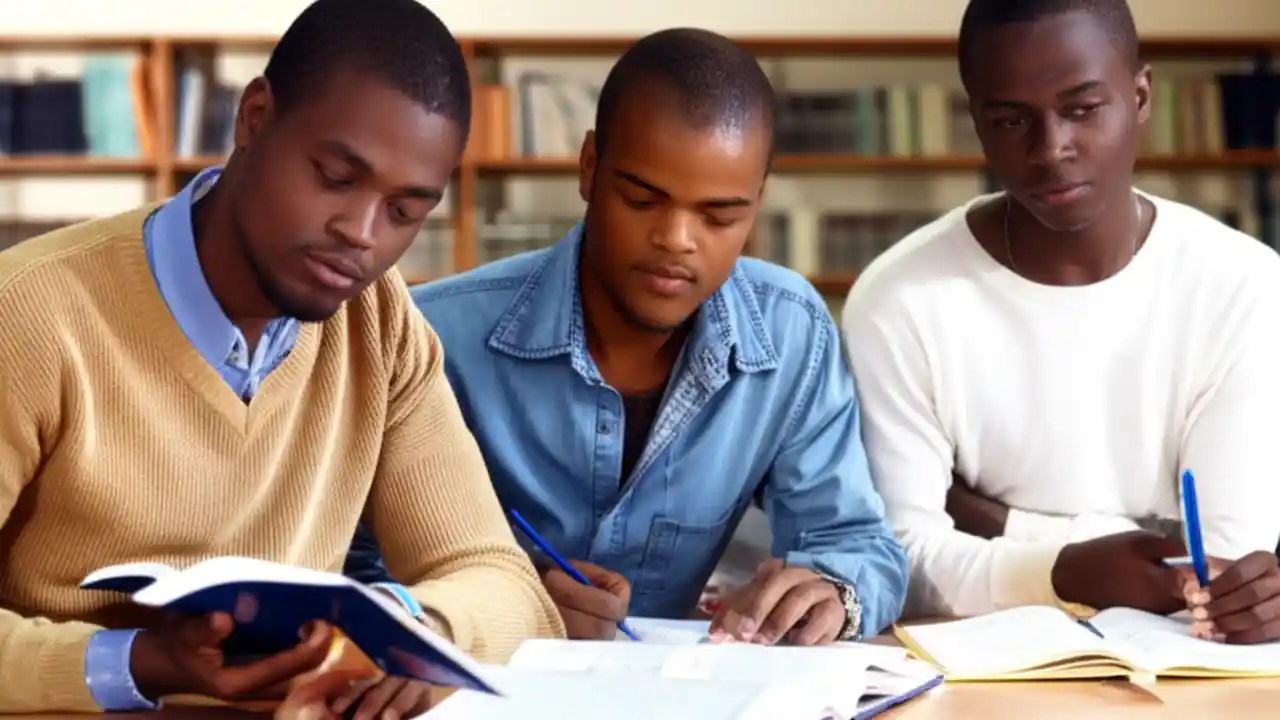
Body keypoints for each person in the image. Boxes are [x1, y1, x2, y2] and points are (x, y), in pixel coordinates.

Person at [0, 0, 563, 715]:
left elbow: (499, 580)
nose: (361, 234)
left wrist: (403, 629)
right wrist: (139, 662)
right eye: (335, 176)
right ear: (255, 117)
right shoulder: (26, 313)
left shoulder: (380, 321)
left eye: (404, 212)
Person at [346, 27, 910, 646]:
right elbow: (349, 566)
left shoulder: (790, 332)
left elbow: (854, 542)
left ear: (757, 203)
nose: (677, 239)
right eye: (642, 200)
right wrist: (499, 600)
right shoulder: (433, 335)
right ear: (589, 168)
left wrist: (836, 592)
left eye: (721, 215)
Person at [841, 0, 1280, 643]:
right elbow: (896, 561)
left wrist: (1005, 527)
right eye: (1013, 119)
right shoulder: (899, 299)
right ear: (978, 125)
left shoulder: (1245, 285)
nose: (1052, 149)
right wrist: (1068, 570)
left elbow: (1212, 565)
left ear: (1140, 96)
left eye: (1082, 108)